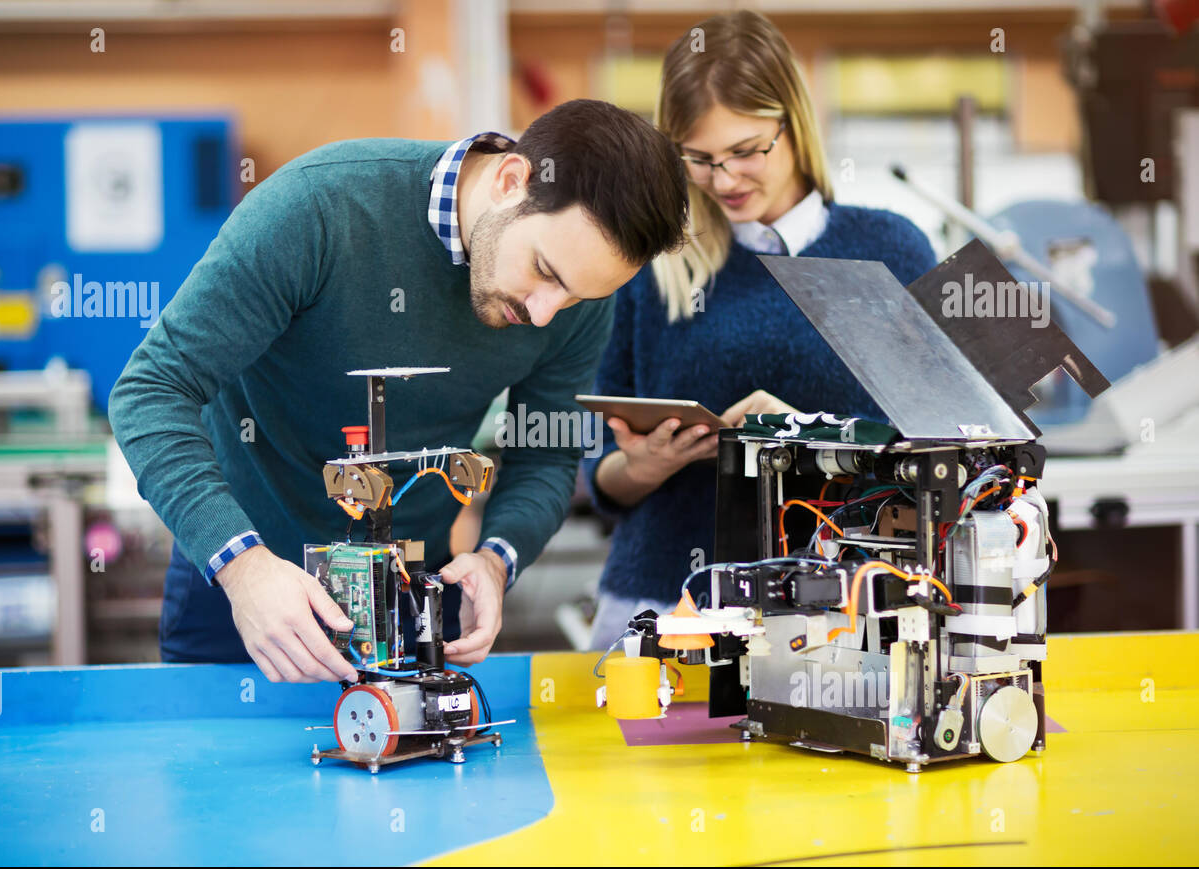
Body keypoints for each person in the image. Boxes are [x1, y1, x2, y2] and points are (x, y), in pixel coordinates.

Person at [108, 98, 688, 682]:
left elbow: (546, 451)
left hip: (408, 601)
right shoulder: (319, 208)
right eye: (546, 273)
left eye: (576, 298)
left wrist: (495, 560)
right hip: (237, 585)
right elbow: (150, 390)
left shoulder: (576, 292)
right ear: (512, 181)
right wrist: (243, 568)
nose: (545, 315)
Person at [583, 12, 938, 649]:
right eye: (698, 158)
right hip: (667, 604)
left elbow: (945, 449)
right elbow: (592, 466)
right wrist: (640, 468)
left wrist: (807, 437)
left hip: (850, 609)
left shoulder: (889, 249)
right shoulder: (651, 267)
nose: (724, 180)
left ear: (794, 123)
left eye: (746, 151)